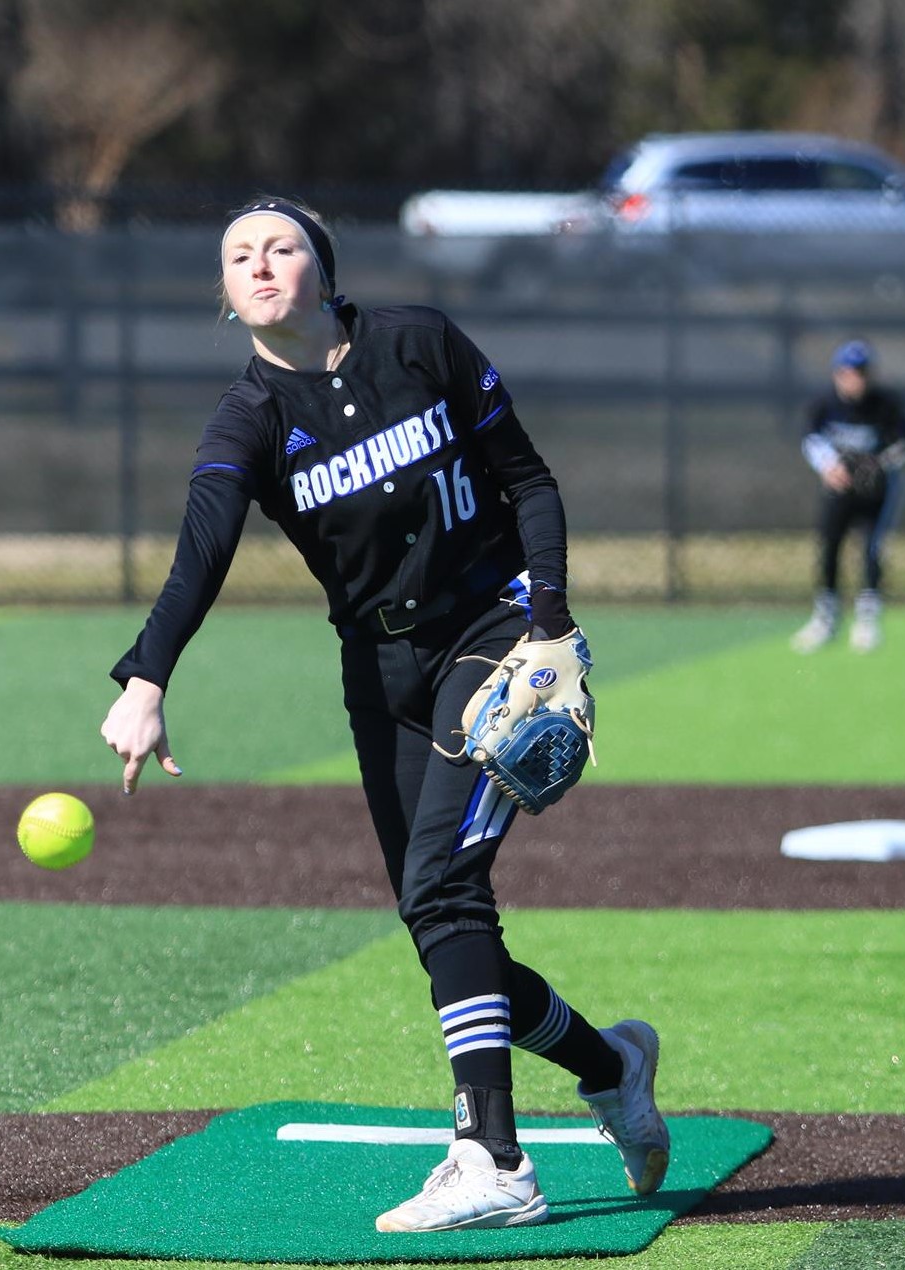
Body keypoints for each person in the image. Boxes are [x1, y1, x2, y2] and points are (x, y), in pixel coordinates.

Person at [99, 196, 669, 1233]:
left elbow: (527, 480)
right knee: (436, 917)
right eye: (238, 255)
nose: (261, 264)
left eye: (281, 246)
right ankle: (609, 1062)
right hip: (381, 668)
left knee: (444, 886)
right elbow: (202, 550)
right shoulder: (250, 419)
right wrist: (147, 678)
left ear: (323, 266)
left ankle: (493, 1158)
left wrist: (549, 621)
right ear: (227, 296)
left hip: (492, 631)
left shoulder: (419, 343)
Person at [791, 339, 905, 654]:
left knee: (871, 549)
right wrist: (829, 465)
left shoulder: (886, 405)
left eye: (861, 373)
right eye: (848, 373)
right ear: (837, 374)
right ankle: (826, 618)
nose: (855, 379)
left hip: (878, 493)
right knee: (830, 546)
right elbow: (809, 438)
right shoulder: (825, 405)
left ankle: (867, 619)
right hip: (839, 489)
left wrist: (878, 465)